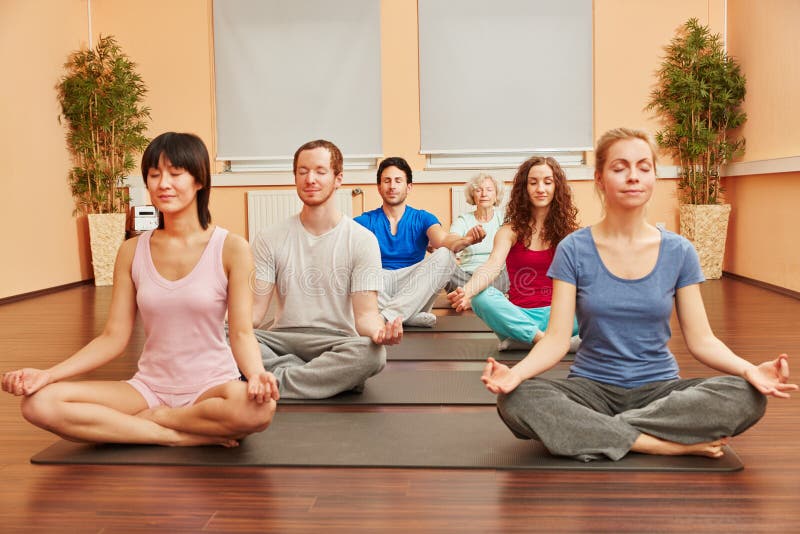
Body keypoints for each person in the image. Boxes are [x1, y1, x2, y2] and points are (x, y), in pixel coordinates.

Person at [481, 127, 797, 462]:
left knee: (746, 396)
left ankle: (593, 432)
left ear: (653, 177)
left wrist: (750, 371)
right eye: (620, 168)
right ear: (600, 179)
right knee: (516, 399)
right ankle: (656, 442)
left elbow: (702, 341)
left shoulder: (679, 251)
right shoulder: (573, 249)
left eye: (644, 168)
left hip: (659, 391)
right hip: (591, 389)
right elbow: (557, 340)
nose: (633, 176)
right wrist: (516, 374)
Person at [2, 132, 278, 447]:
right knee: (39, 403)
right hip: (149, 388)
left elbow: (241, 333)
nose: (163, 184)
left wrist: (256, 374)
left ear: (199, 180)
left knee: (260, 409)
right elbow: (113, 337)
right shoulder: (132, 251)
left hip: (212, 387)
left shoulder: (232, 248)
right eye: (154, 175)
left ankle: (156, 419)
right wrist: (48, 375)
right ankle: (174, 436)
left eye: (176, 174)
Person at [251, 140, 402, 399]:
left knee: (372, 354)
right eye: (302, 171)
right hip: (282, 340)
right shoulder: (269, 238)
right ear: (295, 177)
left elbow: (365, 315)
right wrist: (215, 324)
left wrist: (379, 331)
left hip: (337, 341)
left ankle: (275, 381)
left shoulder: (362, 240)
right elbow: (254, 313)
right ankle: (324, 379)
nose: (310, 179)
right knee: (223, 336)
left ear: (338, 178)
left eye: (320, 171)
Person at [448, 156, 580, 351]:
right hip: (519, 317)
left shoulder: (570, 234)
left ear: (557, 187)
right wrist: (467, 290)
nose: (540, 188)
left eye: (547, 182)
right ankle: (546, 341)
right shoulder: (509, 231)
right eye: (533, 183)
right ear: (524, 188)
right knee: (481, 297)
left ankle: (524, 340)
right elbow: (492, 266)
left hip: (560, 316)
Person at [355, 156, 486, 328]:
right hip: (380, 284)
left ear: (408, 187)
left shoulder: (422, 218)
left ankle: (387, 317)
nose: (392, 186)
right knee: (348, 265)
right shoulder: (365, 221)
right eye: (387, 181)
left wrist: (466, 240)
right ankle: (407, 316)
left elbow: (443, 240)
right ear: (379, 187)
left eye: (398, 181)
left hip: (412, 286)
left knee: (446, 254)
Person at [446, 173, 510, 294]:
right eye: (478, 190)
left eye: (489, 190)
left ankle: (468, 296)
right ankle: (485, 296)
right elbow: (451, 242)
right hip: (466, 279)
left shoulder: (505, 219)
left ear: (496, 195)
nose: (484, 194)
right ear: (473, 196)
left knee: (513, 265)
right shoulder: (463, 220)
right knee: (443, 258)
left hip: (496, 278)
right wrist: (467, 240)